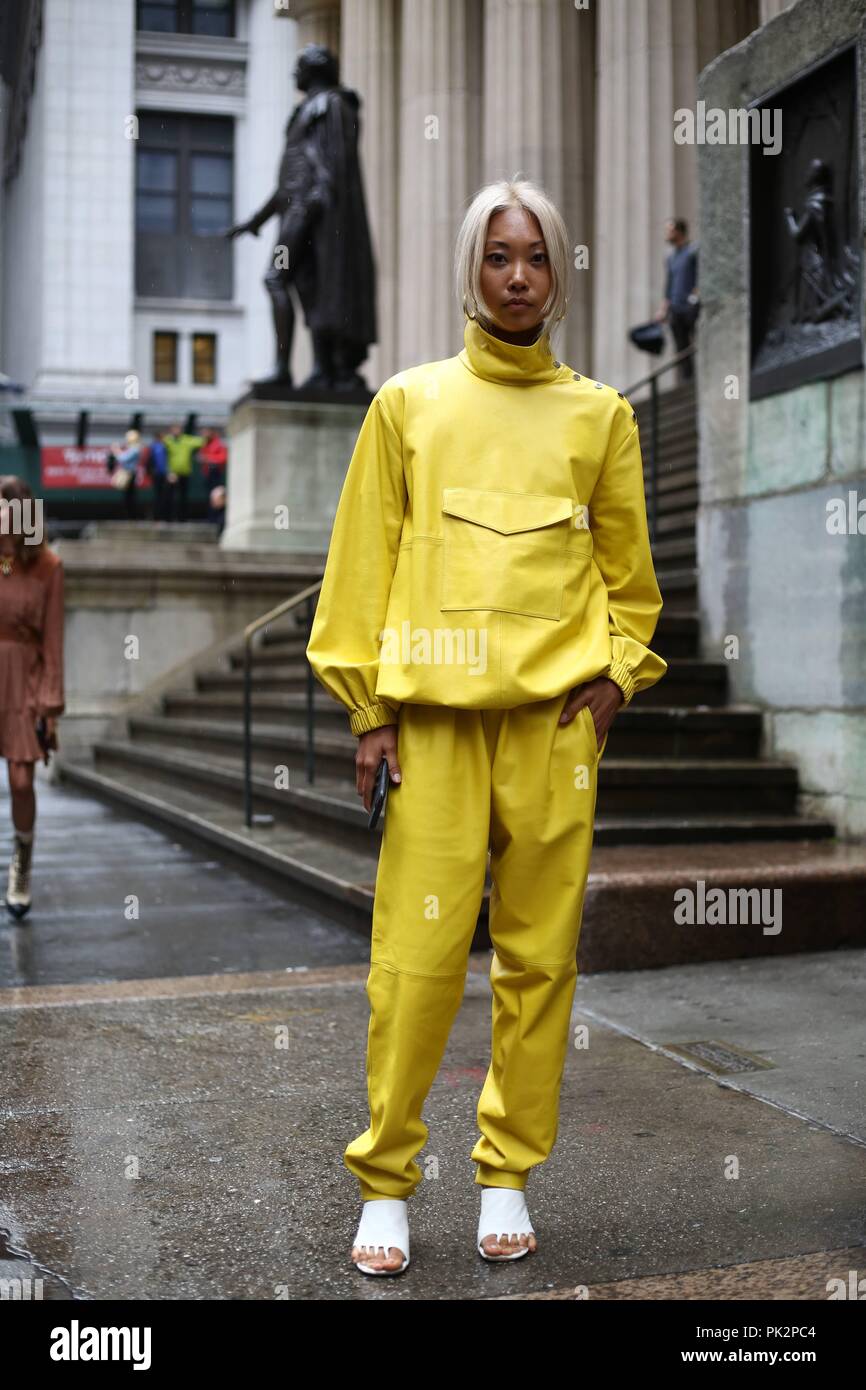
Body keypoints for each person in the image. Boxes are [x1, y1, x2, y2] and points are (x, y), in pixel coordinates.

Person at [306, 177, 668, 1276]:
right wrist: (368, 713)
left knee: (537, 962)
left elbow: (629, 580)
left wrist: (613, 680)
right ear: (470, 268)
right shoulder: (406, 406)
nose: (516, 277)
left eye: (536, 258)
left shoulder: (601, 415)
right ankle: (386, 1177)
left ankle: (506, 1166)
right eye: (497, 256)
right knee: (412, 962)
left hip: (554, 729)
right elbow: (358, 568)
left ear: (559, 274)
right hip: (432, 731)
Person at [0, 476, 65, 921]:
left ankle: (22, 860)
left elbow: (54, 641)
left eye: (8, 508)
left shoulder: (47, 566)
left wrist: (50, 703)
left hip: (24, 676)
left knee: (21, 781)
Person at [655, 217, 699, 381]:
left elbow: (700, 275)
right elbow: (669, 285)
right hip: (675, 307)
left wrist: (695, 295)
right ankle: (687, 379)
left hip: (691, 305)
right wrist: (663, 309)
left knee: (695, 340)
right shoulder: (670, 257)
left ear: (679, 232)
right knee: (681, 345)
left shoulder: (693, 251)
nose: (667, 234)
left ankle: (700, 377)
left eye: (670, 230)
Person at [163, 423, 204, 523]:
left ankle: (182, 519)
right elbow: (162, 457)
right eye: (174, 429)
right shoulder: (167, 441)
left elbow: (201, 442)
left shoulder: (187, 439)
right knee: (170, 497)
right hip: (172, 474)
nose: (176, 432)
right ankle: (168, 518)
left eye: (178, 429)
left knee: (183, 497)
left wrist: (204, 435)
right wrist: (168, 472)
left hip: (185, 473)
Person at [106, 429, 141, 518]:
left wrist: (116, 450)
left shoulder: (135, 449)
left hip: (130, 474)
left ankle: (131, 516)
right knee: (127, 497)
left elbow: (123, 459)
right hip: (127, 473)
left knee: (130, 497)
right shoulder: (132, 448)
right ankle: (129, 515)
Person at [198, 428, 228, 531]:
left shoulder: (218, 444)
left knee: (217, 498)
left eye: (206, 433)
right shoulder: (205, 444)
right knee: (209, 498)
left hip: (215, 474)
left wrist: (209, 458)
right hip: (207, 474)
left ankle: (217, 520)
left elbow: (223, 458)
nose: (204, 435)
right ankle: (211, 519)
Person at [148, 431, 170, 522]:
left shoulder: (165, 447)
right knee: (159, 497)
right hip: (158, 475)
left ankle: (162, 517)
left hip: (163, 475)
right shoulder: (155, 447)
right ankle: (157, 517)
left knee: (164, 497)